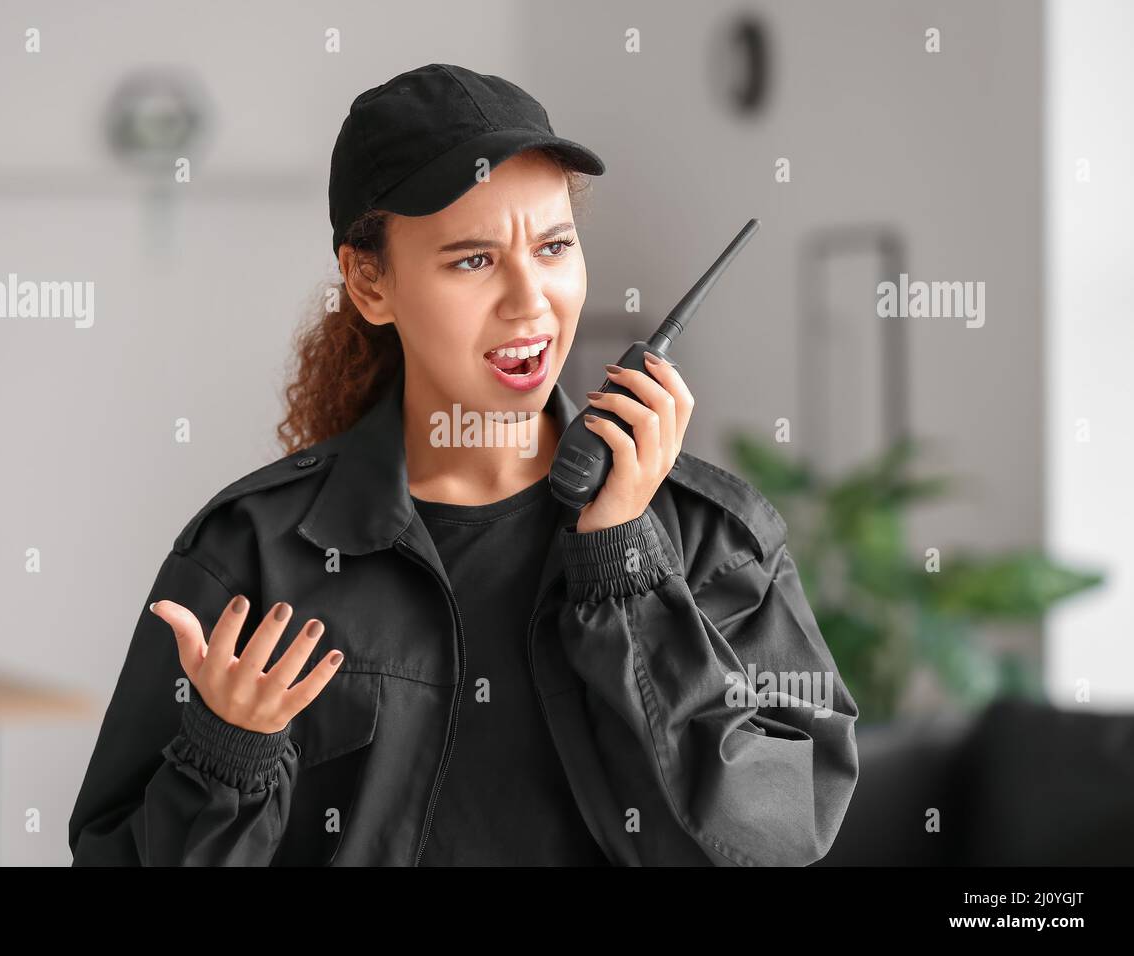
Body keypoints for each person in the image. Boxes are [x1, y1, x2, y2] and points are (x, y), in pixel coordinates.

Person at [68, 62, 860, 867]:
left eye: (554, 246)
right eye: (473, 260)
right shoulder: (252, 553)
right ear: (370, 282)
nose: (530, 300)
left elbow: (778, 835)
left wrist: (625, 565)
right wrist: (226, 758)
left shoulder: (708, 538)